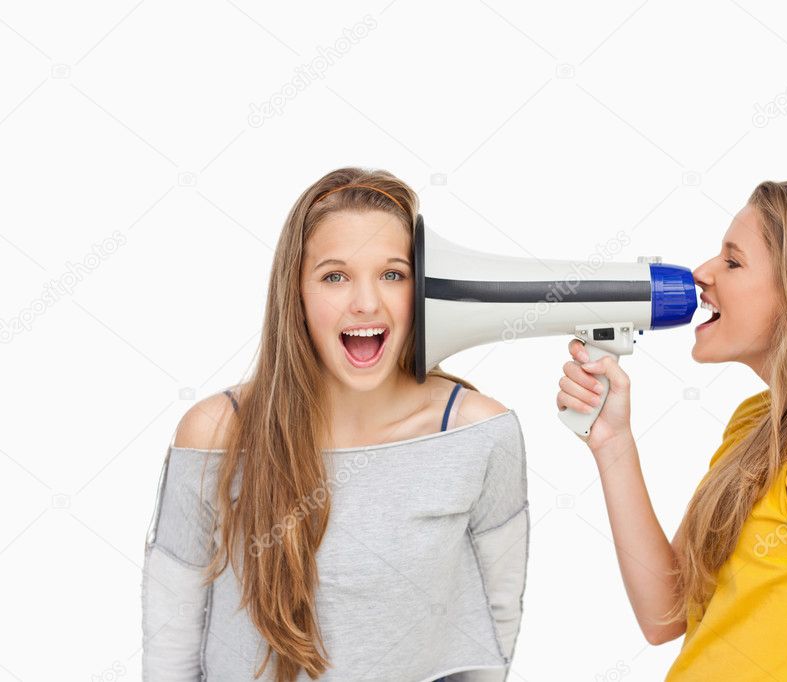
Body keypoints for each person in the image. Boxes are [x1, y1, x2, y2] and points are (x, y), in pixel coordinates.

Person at [142, 167, 529, 682]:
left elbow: (493, 635)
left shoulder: (480, 432)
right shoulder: (215, 433)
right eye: (334, 276)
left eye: (393, 274)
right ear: (296, 295)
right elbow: (171, 647)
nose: (366, 302)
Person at [556, 181, 787, 680]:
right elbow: (664, 614)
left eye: (733, 262)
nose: (702, 273)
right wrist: (613, 443)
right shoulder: (754, 425)